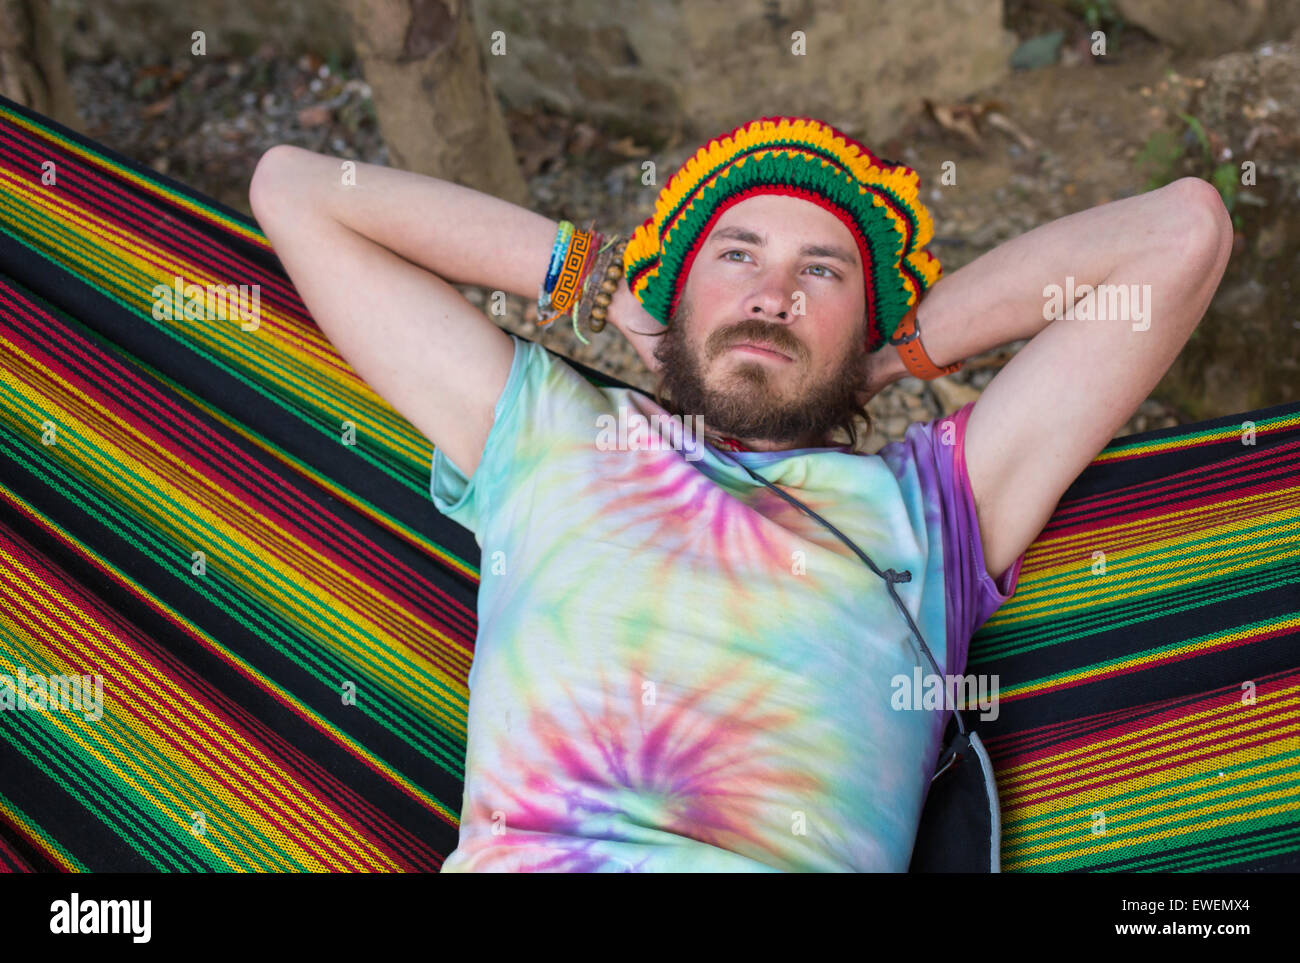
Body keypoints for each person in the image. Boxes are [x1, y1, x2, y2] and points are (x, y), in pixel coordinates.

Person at [248, 115, 1232, 871]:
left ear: (868, 325)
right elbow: (294, 191)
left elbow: (1180, 233)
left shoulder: (936, 507)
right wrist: (598, 279)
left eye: (822, 271)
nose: (774, 294)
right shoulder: (547, 428)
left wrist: (897, 355)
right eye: (736, 255)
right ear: (672, 294)